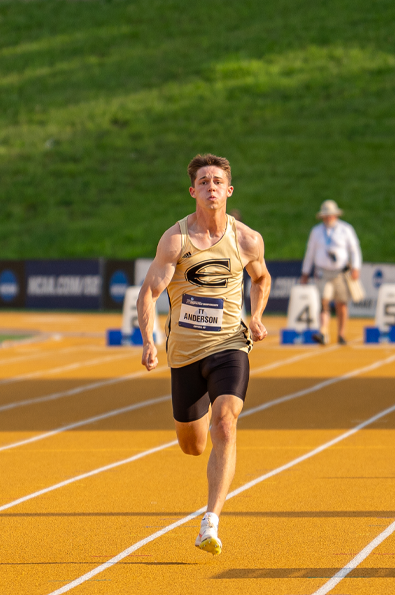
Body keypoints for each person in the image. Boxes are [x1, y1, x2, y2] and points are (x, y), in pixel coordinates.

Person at [136, 154, 270, 556]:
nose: (212, 187)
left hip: (230, 344)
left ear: (229, 190)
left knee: (225, 424)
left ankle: (210, 521)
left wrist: (256, 316)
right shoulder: (175, 240)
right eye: (204, 181)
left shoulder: (247, 240)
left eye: (218, 181)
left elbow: (262, 278)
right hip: (185, 353)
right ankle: (199, 422)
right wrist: (148, 340)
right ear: (193, 190)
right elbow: (149, 293)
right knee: (193, 445)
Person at [300, 200, 362, 345]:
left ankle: (341, 334)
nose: (328, 218)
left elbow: (355, 250)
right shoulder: (316, 231)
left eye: (330, 215)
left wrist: (356, 267)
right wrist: (305, 273)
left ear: (336, 215)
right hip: (323, 272)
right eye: (326, 215)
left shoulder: (346, 229)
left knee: (342, 304)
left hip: (340, 272)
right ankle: (323, 332)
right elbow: (310, 253)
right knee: (324, 302)